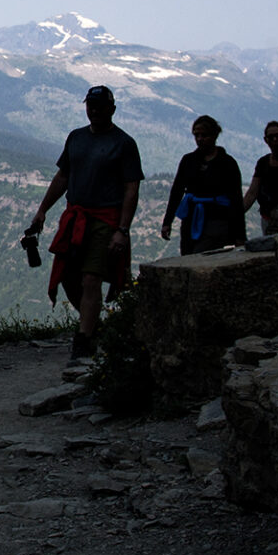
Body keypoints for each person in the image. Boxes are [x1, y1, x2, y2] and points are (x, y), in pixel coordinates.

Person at [24, 85, 144, 360]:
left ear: (112, 109)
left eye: (100, 106)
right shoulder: (76, 138)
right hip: (75, 216)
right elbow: (63, 177)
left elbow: (131, 189)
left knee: (91, 279)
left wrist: (122, 230)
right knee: (68, 276)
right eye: (91, 105)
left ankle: (84, 340)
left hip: (105, 219)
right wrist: (43, 209)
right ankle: (92, 324)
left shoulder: (124, 144)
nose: (95, 110)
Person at [160, 115, 247, 254]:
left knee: (204, 255)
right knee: (188, 255)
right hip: (191, 219)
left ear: (214, 135)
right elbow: (177, 191)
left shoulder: (227, 163)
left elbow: (236, 199)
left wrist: (240, 236)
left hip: (217, 220)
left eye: (204, 135)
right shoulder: (188, 161)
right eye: (197, 135)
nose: (200, 139)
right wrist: (167, 222)